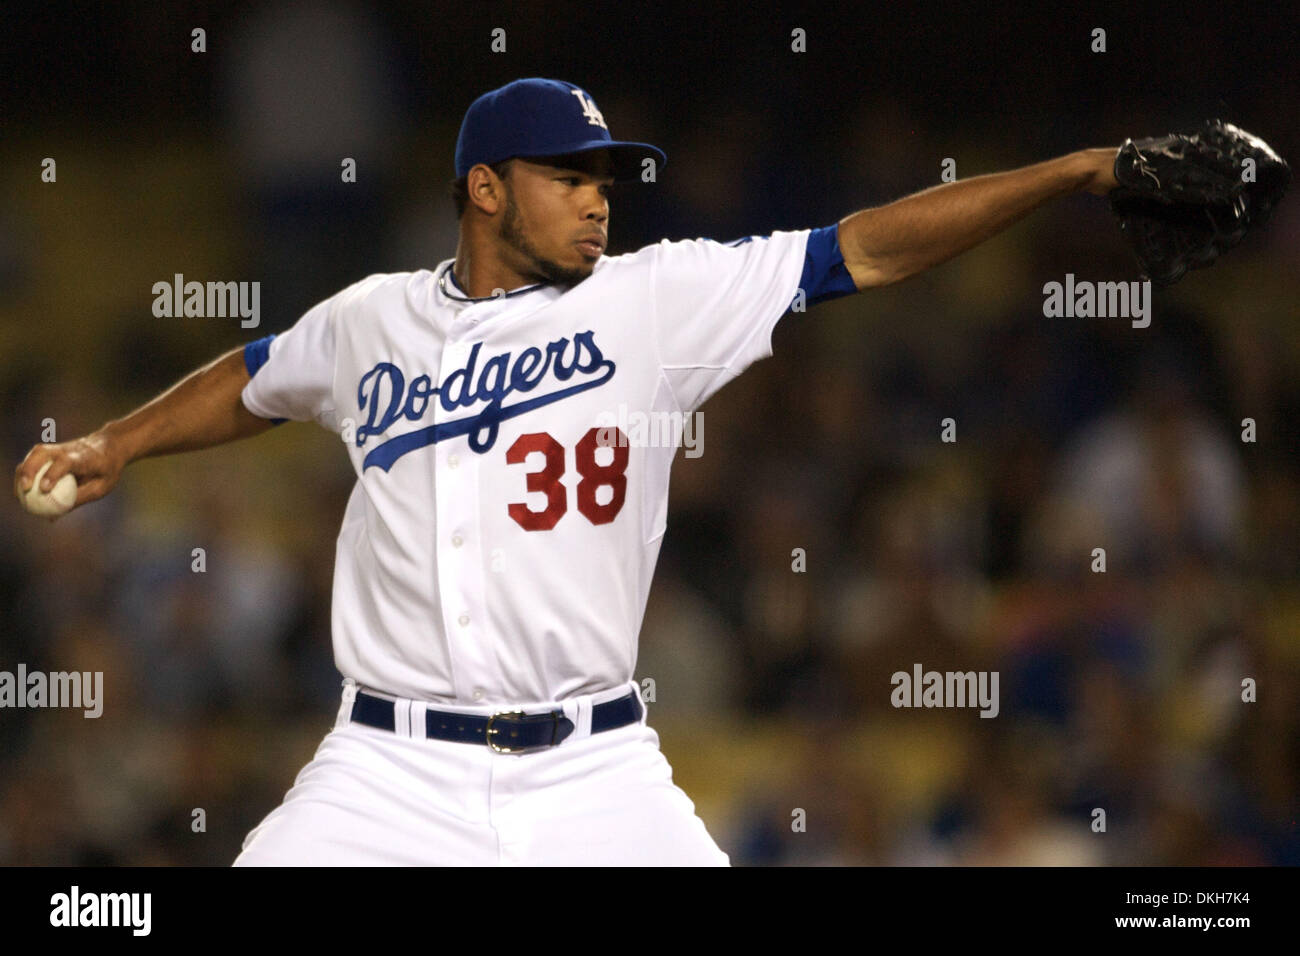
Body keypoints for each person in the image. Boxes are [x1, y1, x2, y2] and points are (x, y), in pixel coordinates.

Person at [14, 78, 1120, 865]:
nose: (600, 197)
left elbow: (861, 248)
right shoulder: (370, 320)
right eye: (569, 175)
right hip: (387, 767)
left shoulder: (655, 298)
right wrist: (118, 440)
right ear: (485, 189)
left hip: (594, 768)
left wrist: (1075, 171)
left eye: (606, 177)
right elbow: (257, 375)